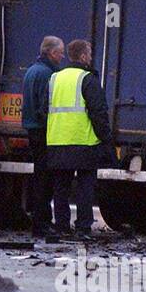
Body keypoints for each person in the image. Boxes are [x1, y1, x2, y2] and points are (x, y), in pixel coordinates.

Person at [41, 39, 112, 238]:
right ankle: (82, 227)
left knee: (61, 188)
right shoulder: (87, 79)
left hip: (57, 141)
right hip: (83, 142)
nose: (90, 57)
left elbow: (44, 109)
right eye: (89, 54)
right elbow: (98, 112)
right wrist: (105, 138)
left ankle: (61, 226)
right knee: (85, 187)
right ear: (82, 56)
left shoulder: (55, 78)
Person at [21, 35, 64, 235]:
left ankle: (38, 221)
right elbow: (44, 107)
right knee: (45, 180)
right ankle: (42, 223)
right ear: (52, 52)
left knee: (39, 176)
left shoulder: (31, 71)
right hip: (44, 130)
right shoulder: (48, 74)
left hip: (32, 129)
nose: (62, 57)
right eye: (60, 53)